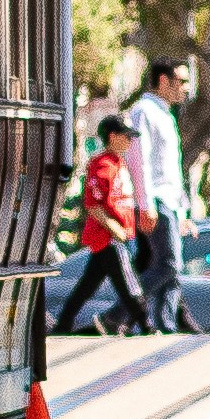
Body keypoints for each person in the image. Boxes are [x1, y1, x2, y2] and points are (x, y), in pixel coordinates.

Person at [57, 118, 145, 336]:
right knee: (129, 284)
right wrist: (115, 229)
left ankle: (63, 325)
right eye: (126, 136)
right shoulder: (102, 164)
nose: (130, 141)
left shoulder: (119, 163)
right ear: (112, 137)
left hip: (118, 236)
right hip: (109, 238)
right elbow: (93, 205)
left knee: (88, 285)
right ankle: (147, 323)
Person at [129, 58, 189, 332]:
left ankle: (165, 324)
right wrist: (146, 204)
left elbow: (173, 169)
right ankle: (117, 313)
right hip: (155, 201)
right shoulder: (143, 111)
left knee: (171, 272)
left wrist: (183, 212)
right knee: (169, 264)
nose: (186, 88)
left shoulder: (167, 115)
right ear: (164, 81)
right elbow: (139, 160)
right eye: (181, 81)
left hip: (170, 202)